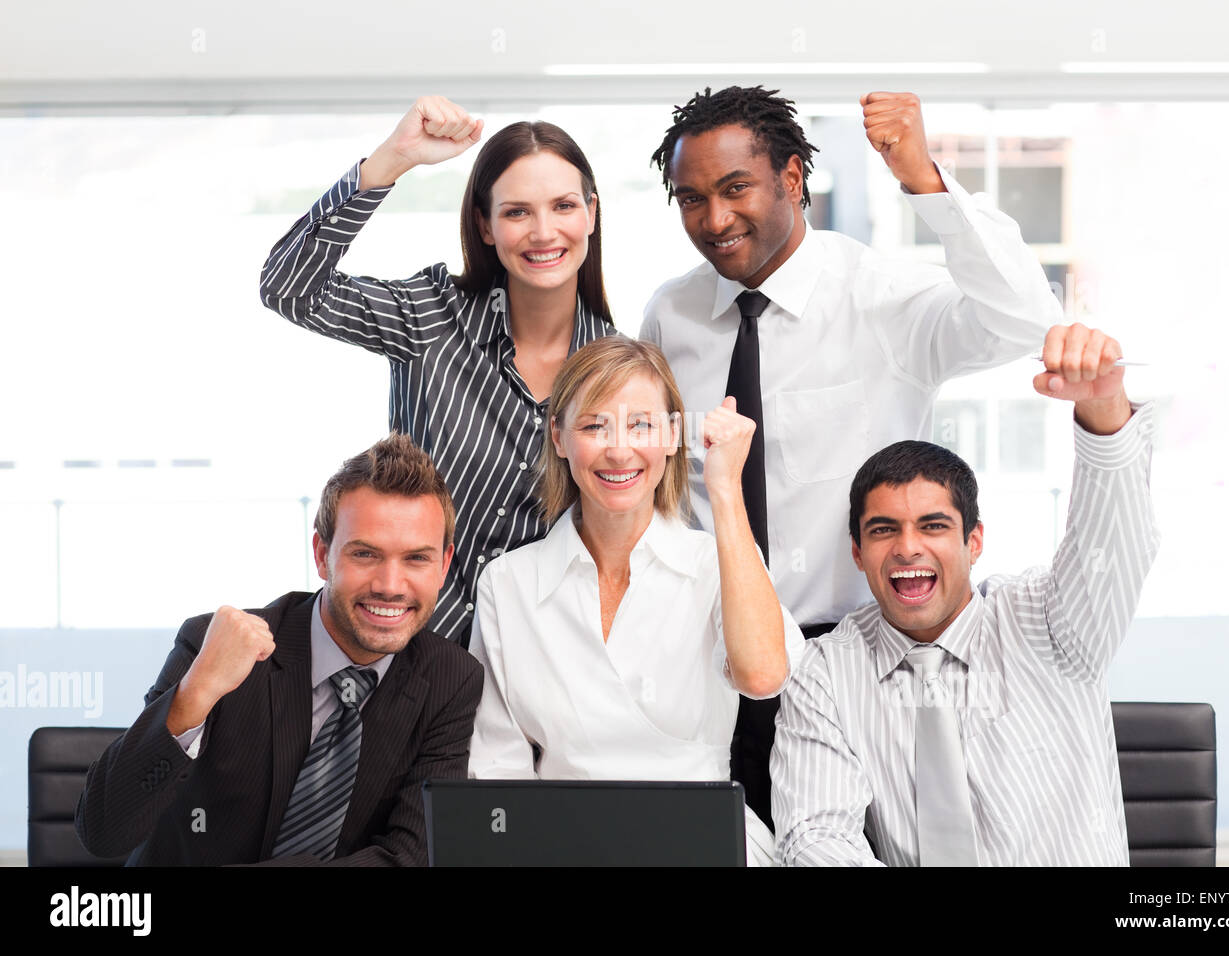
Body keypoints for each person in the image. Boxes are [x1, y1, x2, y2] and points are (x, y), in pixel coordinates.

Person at [640, 85, 1065, 827]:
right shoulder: (670, 314)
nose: (713, 220)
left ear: (793, 179)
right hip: (711, 662)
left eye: (735, 188)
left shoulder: (884, 298)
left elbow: (1022, 319)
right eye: (691, 198)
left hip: (853, 663)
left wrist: (924, 178)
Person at [770, 323, 1157, 866]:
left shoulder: (1047, 620)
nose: (908, 549)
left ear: (973, 541)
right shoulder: (825, 674)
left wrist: (1104, 416)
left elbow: (1112, 544)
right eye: (883, 530)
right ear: (857, 552)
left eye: (932, 526)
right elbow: (816, 835)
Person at [259, 95, 616, 650]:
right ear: (487, 224)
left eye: (564, 206)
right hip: (401, 651)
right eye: (517, 211)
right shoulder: (431, 316)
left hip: (534, 662)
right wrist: (392, 160)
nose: (544, 231)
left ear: (591, 213)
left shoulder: (615, 371)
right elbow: (288, 288)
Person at [467, 336, 805, 865]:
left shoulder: (718, 562)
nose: (619, 449)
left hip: (704, 842)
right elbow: (496, 771)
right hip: (562, 846)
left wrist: (724, 489)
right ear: (559, 437)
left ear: (673, 435)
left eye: (641, 425)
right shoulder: (507, 584)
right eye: (594, 425)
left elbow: (763, 677)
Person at [75, 433, 484, 865]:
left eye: (416, 559)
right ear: (322, 555)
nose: (389, 585)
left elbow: (410, 856)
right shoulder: (214, 646)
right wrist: (194, 693)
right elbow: (102, 831)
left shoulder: (450, 680)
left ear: (443, 565)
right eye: (365, 554)